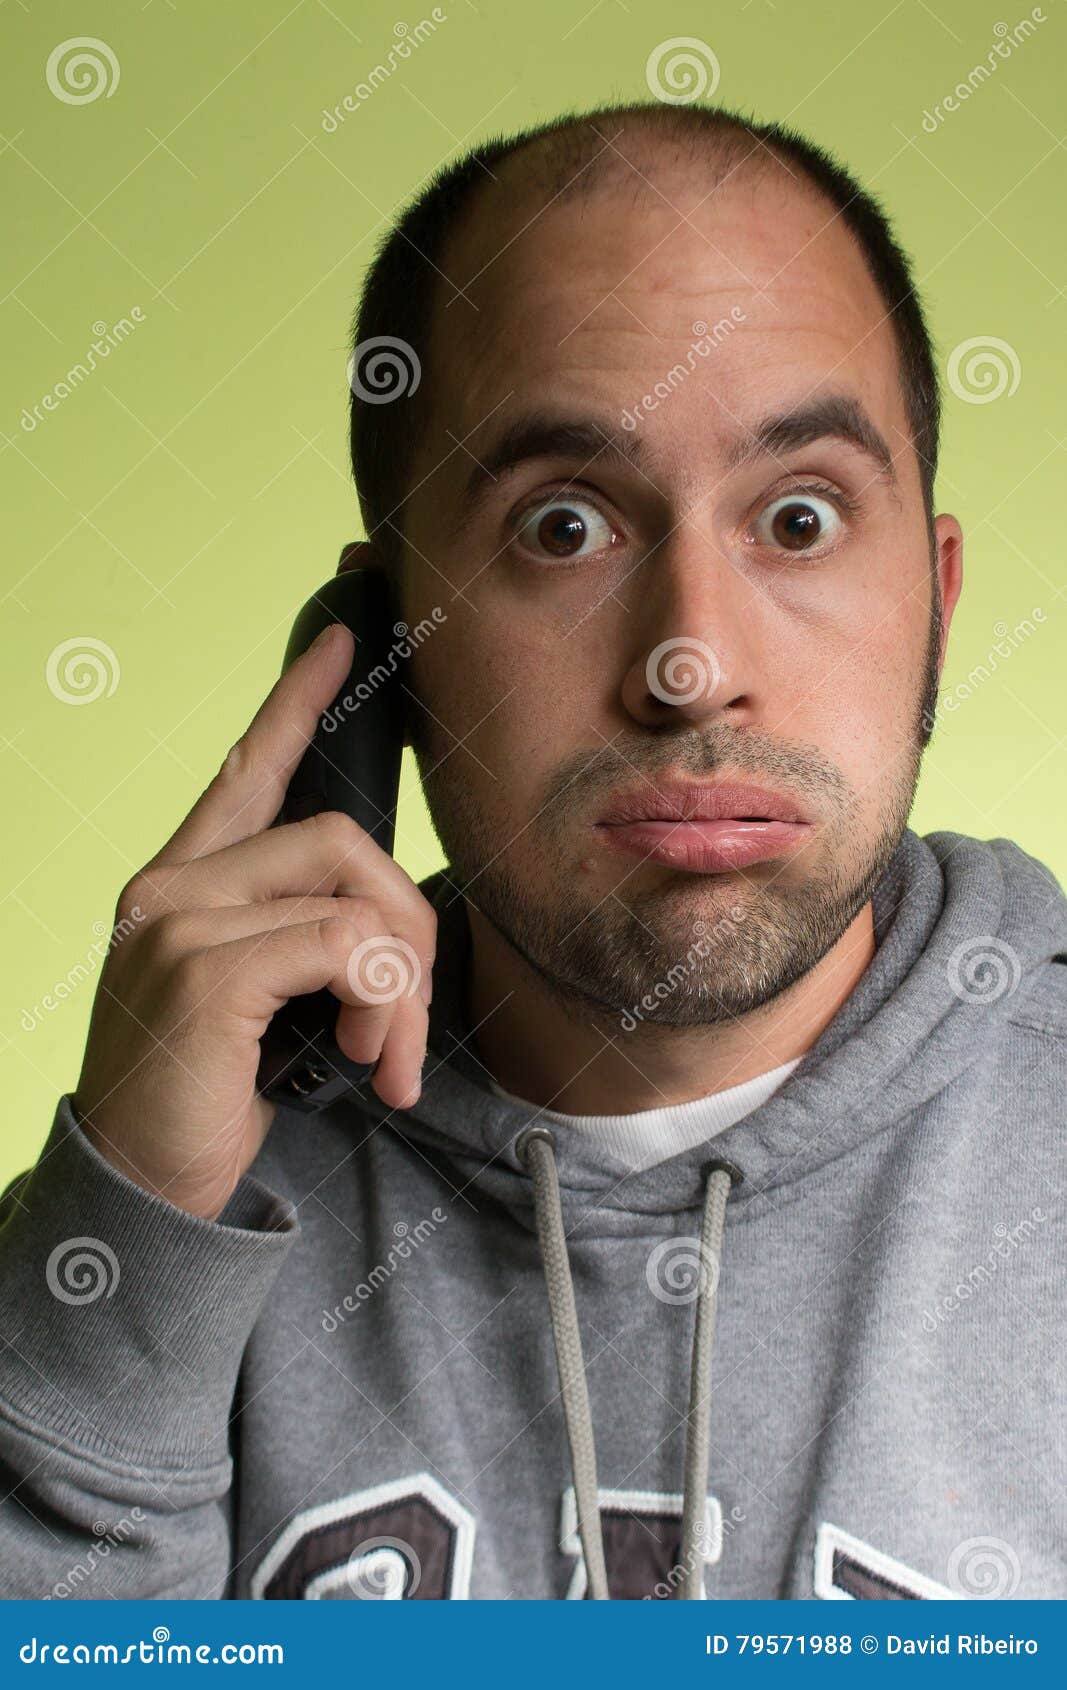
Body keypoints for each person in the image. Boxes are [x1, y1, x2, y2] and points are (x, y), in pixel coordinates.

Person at [1, 99, 1063, 1602]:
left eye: (802, 516)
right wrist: (124, 1242)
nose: (691, 663)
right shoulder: (171, 1199)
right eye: (563, 527)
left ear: (940, 608)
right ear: (383, 641)